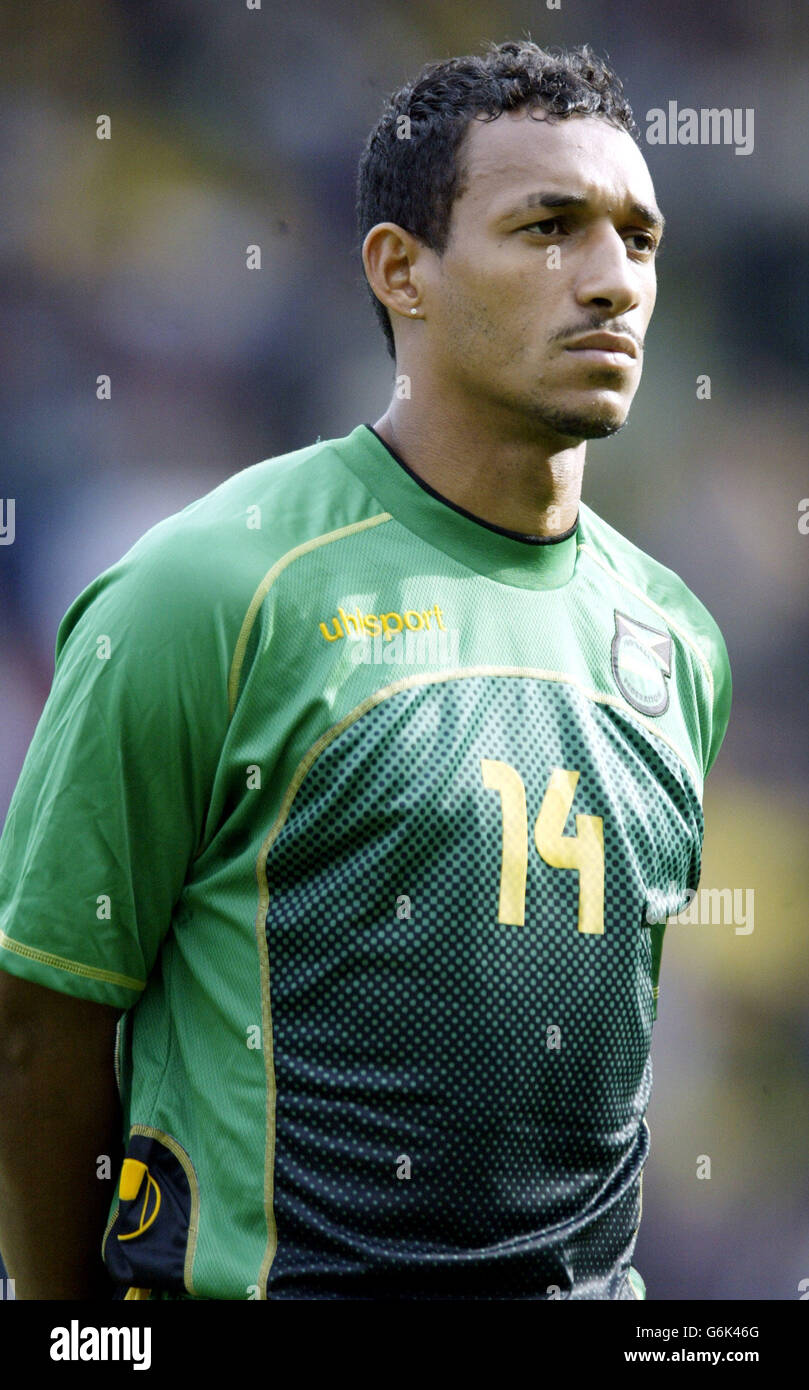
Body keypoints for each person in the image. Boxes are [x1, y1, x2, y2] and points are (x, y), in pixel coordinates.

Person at [0, 40, 731, 1300]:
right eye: (548, 227)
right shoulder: (211, 589)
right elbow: (40, 1027)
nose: (610, 279)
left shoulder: (676, 639)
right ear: (401, 271)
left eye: (638, 238)